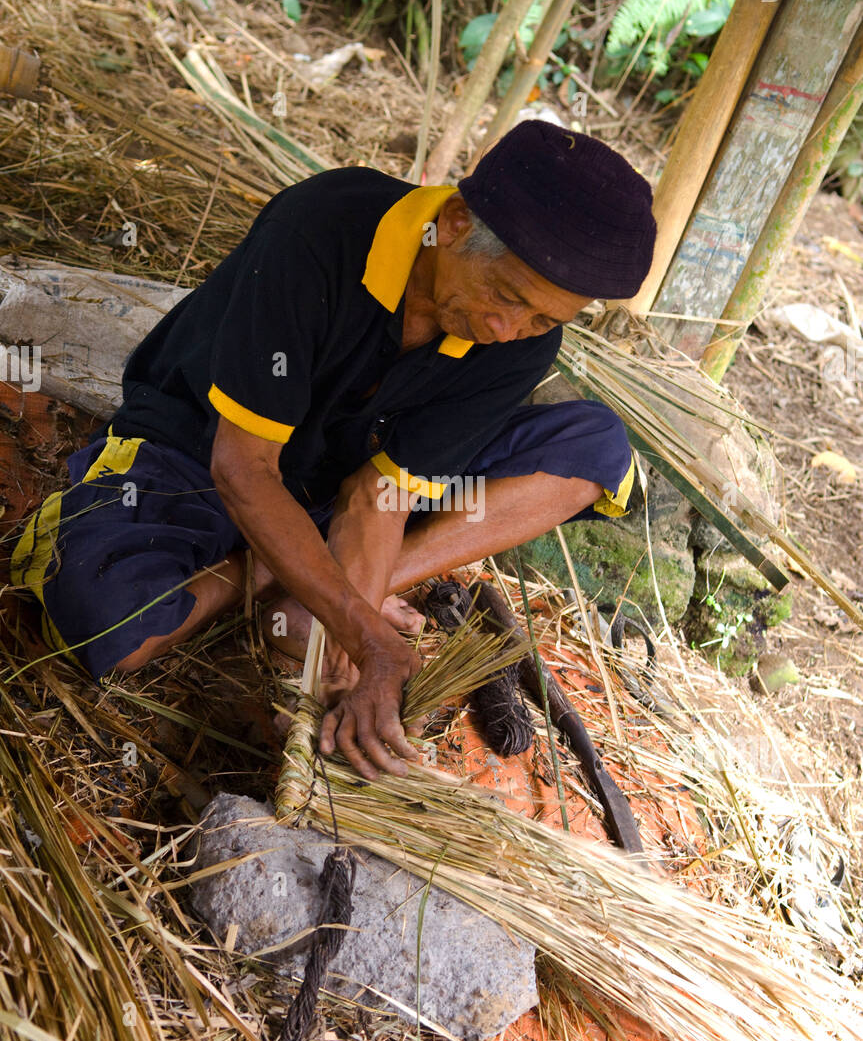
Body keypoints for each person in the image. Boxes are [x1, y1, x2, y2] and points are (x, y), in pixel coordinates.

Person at [12, 121, 656, 780]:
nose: (506, 330)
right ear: (456, 222)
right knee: (105, 625)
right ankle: (280, 572)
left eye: (543, 320)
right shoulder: (324, 229)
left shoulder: (516, 341)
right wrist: (360, 628)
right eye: (505, 295)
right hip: (204, 451)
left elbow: (379, 496)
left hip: (338, 486)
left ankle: (302, 577)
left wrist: (344, 638)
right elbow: (243, 469)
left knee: (595, 448)